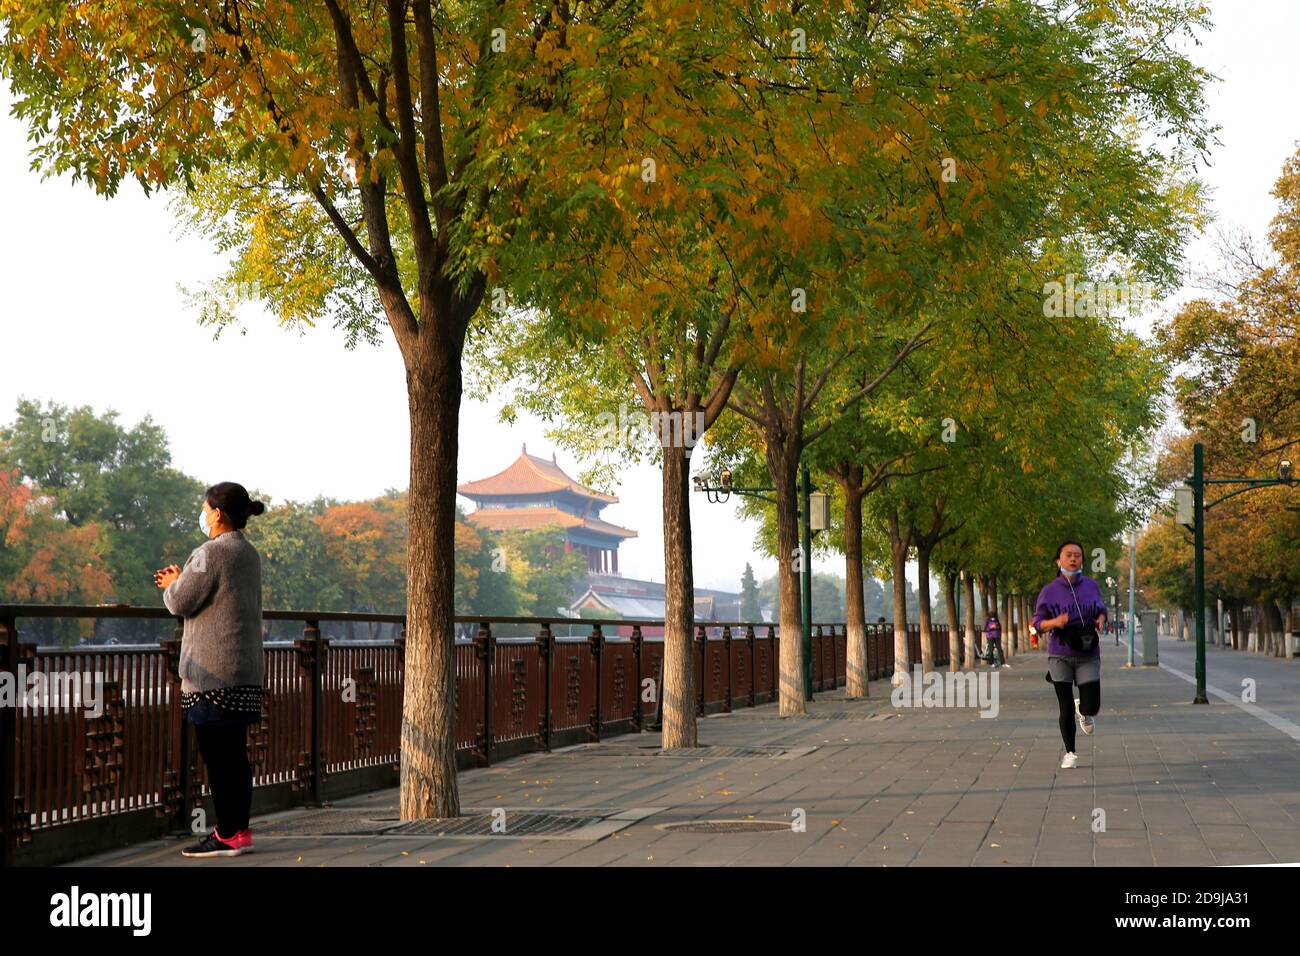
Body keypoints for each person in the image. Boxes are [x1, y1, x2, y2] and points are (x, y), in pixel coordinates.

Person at [155, 481, 266, 857]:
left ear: (218, 514)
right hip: (244, 669)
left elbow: (181, 601)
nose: (203, 515)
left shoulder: (209, 552)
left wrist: (172, 583)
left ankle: (227, 833)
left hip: (212, 674)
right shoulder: (248, 554)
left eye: (205, 509)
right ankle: (239, 830)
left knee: (218, 757)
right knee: (235, 755)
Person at [1034, 541, 1107, 770]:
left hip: (1087, 652)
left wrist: (1102, 619)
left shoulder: (1092, 587)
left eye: (1077, 555)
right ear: (1059, 561)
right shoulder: (1049, 591)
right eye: (1068, 555)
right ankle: (1070, 753)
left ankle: (1084, 712)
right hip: (1060, 654)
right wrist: (1055, 622)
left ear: (1082, 561)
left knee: (1091, 705)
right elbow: (1037, 624)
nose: (1073, 559)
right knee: (1064, 705)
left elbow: (1101, 609)